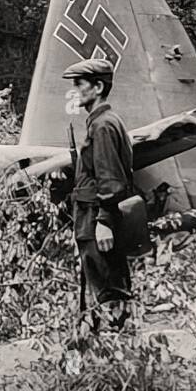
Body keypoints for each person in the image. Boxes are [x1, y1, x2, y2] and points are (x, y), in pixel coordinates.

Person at [62, 57, 135, 334]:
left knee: (108, 286)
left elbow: (111, 179)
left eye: (80, 84)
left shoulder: (103, 125)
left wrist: (104, 221)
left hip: (97, 217)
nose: (76, 90)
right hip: (91, 216)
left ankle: (116, 348)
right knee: (103, 281)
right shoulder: (103, 122)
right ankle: (110, 345)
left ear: (98, 87)